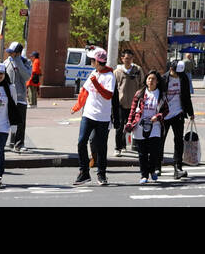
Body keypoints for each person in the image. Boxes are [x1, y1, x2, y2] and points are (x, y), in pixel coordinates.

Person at [71, 48, 115, 186]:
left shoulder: (109, 76)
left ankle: (101, 174)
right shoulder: (93, 72)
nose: (91, 62)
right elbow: (85, 90)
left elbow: (108, 95)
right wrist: (77, 106)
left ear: (97, 61)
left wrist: (96, 82)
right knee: (81, 142)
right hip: (88, 114)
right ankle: (84, 172)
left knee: (101, 146)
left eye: (92, 60)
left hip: (102, 117)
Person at [124, 70, 167, 184]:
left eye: (153, 79)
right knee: (142, 152)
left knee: (154, 151)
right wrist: (129, 122)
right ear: (146, 80)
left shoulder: (161, 95)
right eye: (149, 78)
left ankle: (152, 170)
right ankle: (144, 175)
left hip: (155, 126)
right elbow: (133, 110)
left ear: (157, 82)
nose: (151, 81)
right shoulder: (140, 93)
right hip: (140, 125)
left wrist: (157, 117)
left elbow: (166, 110)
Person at [161, 60, 194, 179]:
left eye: (180, 72)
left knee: (179, 141)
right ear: (171, 68)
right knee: (160, 139)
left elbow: (186, 96)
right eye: (176, 71)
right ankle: (157, 165)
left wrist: (191, 112)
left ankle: (177, 167)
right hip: (165, 114)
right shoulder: (163, 78)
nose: (178, 74)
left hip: (178, 113)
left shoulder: (183, 78)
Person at [112, 49, 143, 157]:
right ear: (122, 59)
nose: (128, 60)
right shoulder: (117, 72)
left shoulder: (137, 70)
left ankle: (130, 145)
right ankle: (118, 147)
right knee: (120, 126)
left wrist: (140, 99)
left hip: (134, 104)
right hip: (121, 103)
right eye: (126, 58)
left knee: (133, 126)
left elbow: (142, 85)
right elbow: (114, 88)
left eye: (130, 58)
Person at [3, 42, 31, 150]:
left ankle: (19, 144)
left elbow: (27, 76)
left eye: (13, 53)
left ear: (18, 53)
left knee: (20, 122)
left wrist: (19, 62)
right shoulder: (6, 63)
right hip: (8, 96)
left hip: (20, 97)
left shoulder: (26, 62)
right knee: (7, 120)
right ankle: (9, 142)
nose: (10, 55)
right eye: (9, 52)